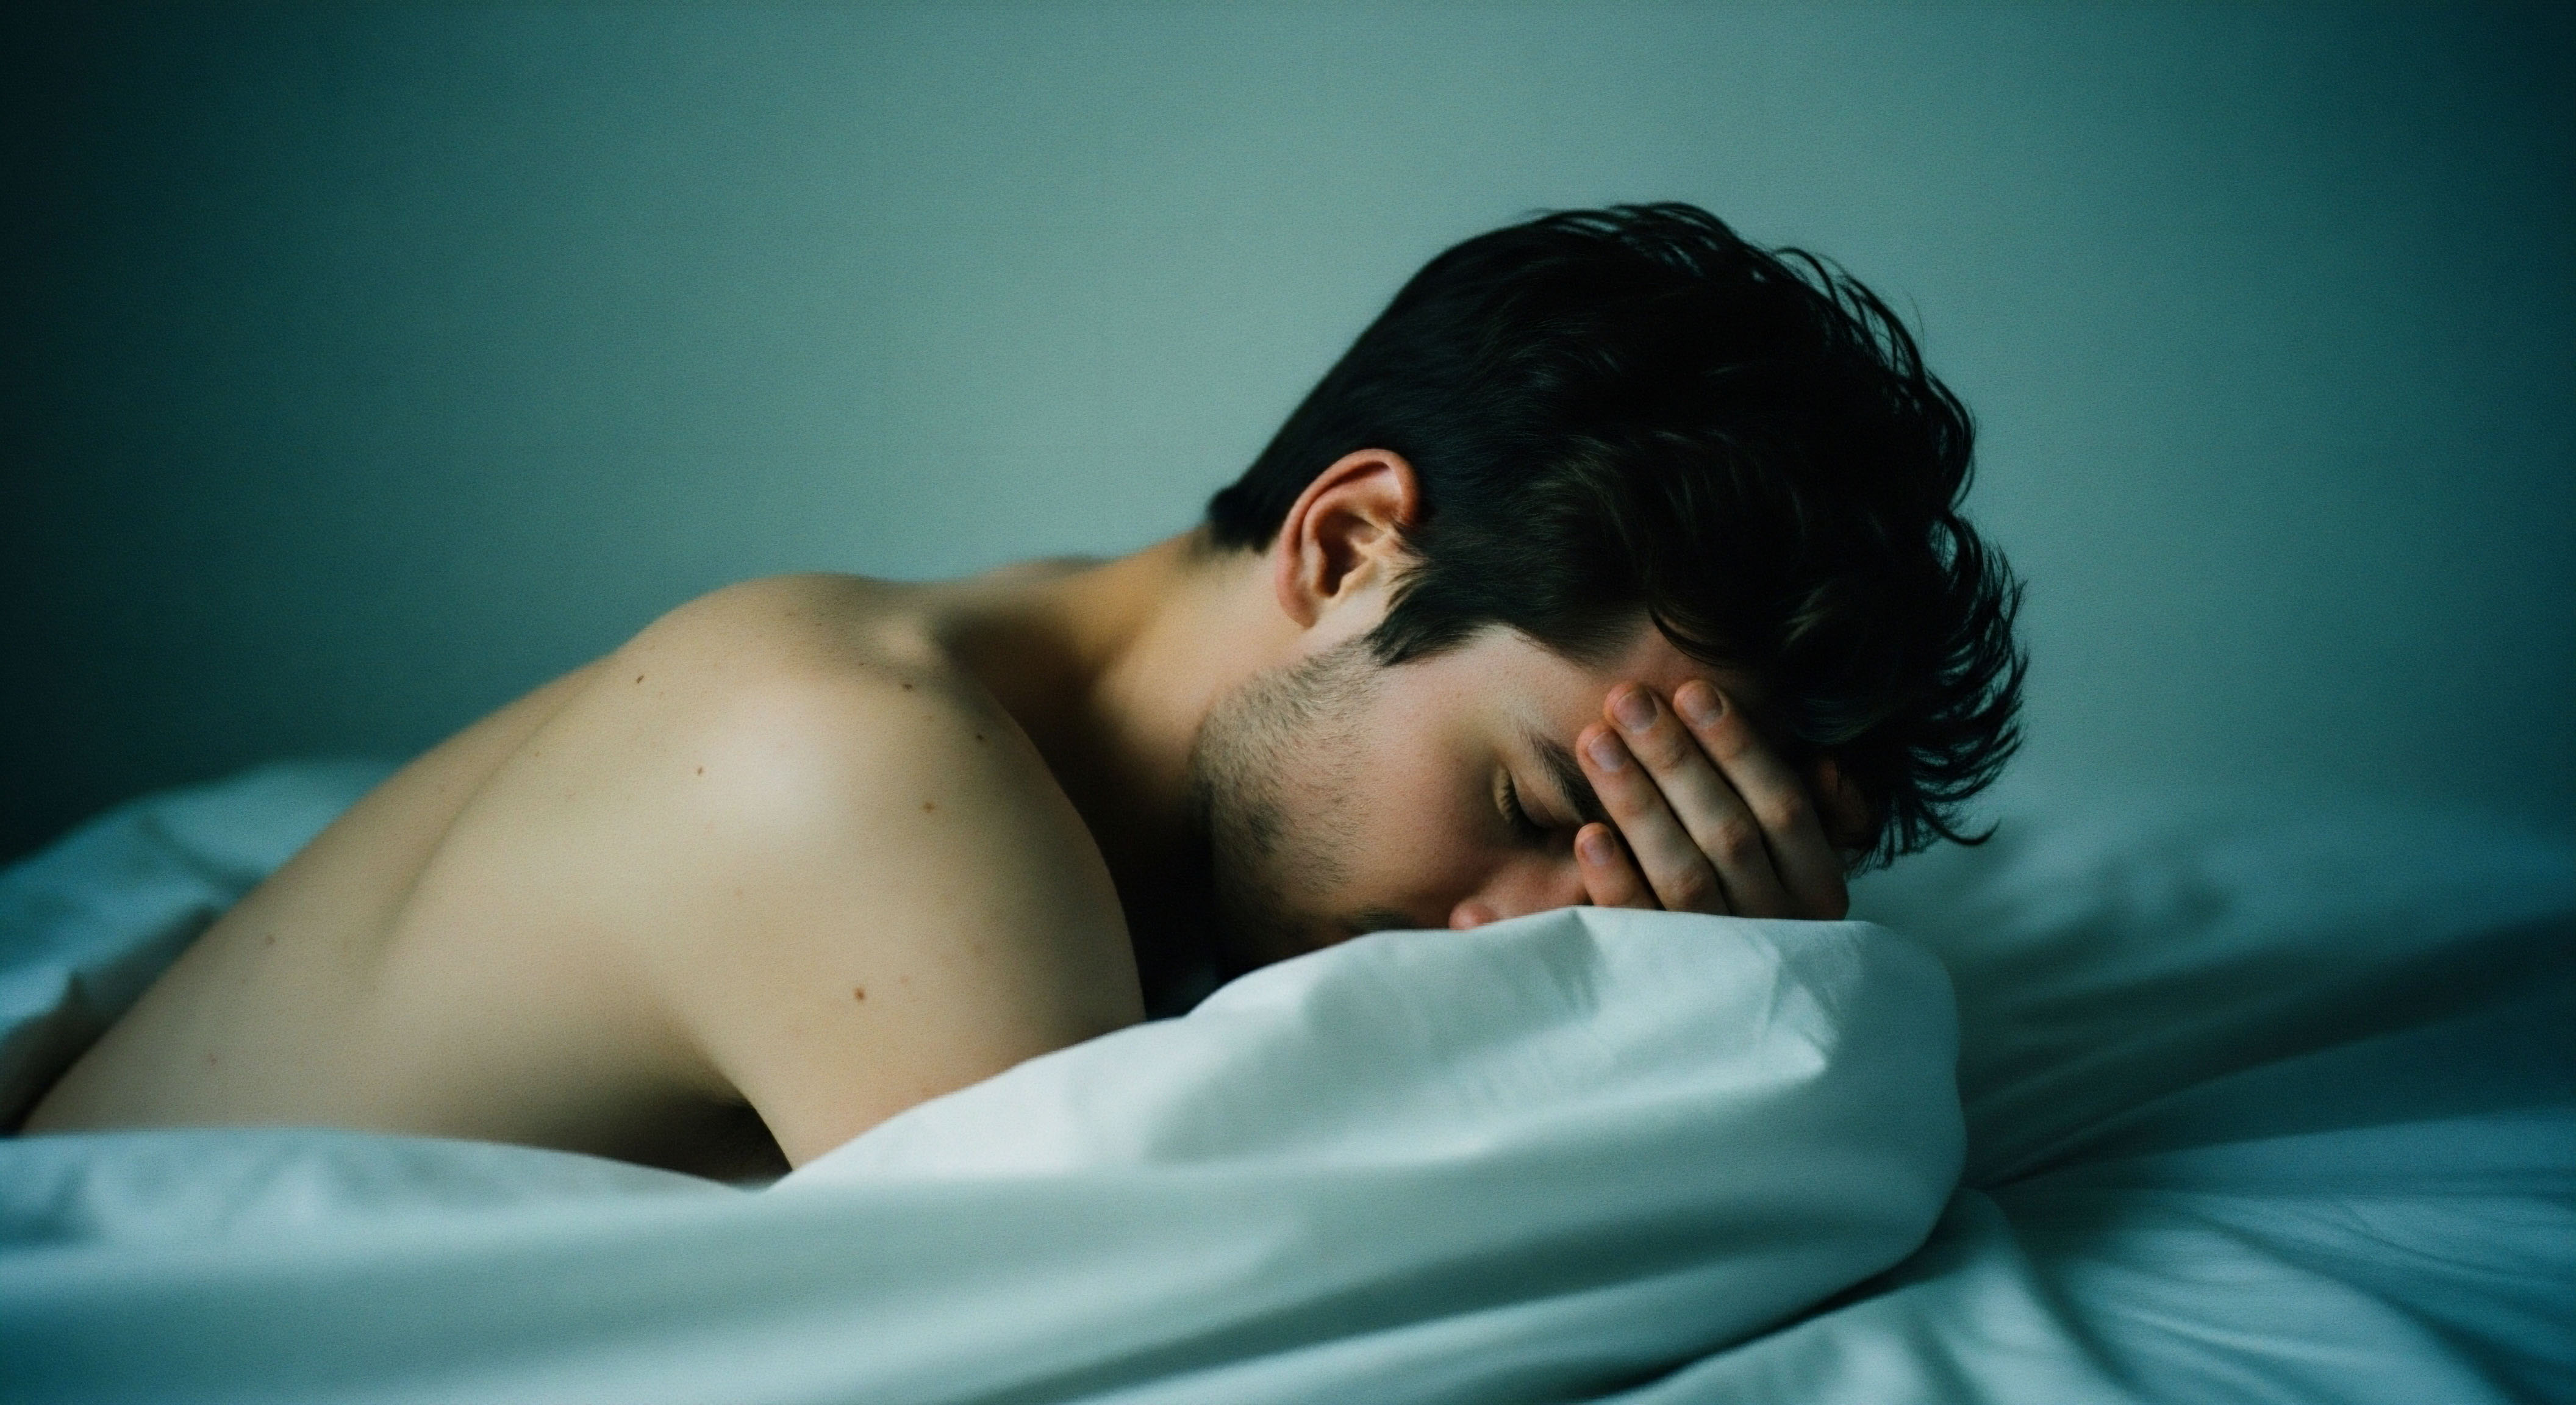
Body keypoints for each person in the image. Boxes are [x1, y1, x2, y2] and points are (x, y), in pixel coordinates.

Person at [24, 204, 2024, 1178]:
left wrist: (1705, 971)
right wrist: (1735, 1059)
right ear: (1345, 547)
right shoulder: (863, 765)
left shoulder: (1123, 741)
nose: (1534, 936)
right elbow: (1210, 1354)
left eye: (1647, 870)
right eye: (1523, 809)